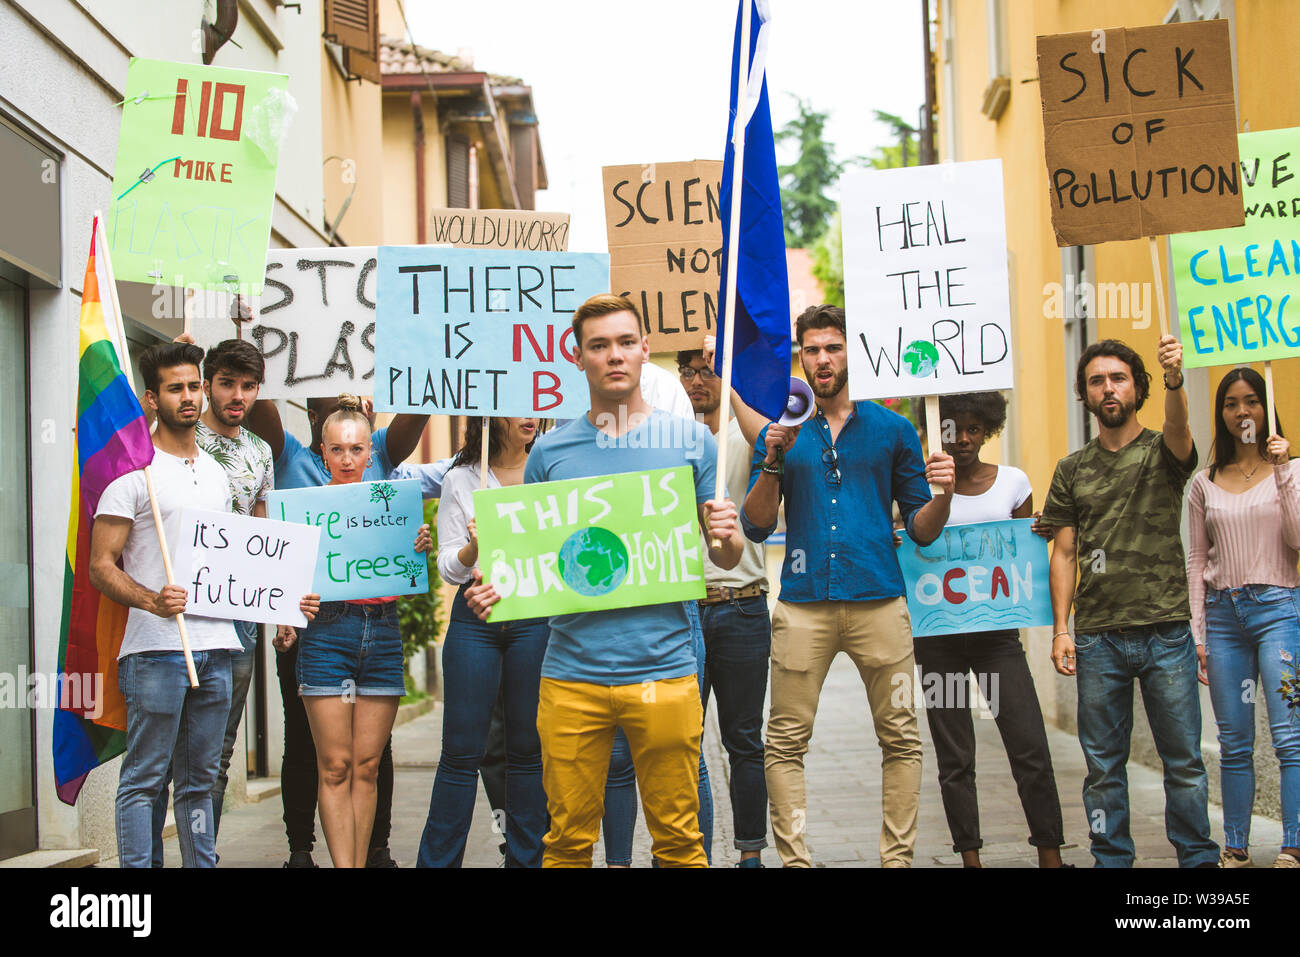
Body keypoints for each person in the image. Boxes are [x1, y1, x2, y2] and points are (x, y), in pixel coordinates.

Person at [465, 294, 745, 867]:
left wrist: (729, 531)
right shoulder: (549, 452)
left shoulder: (692, 441)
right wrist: (494, 586)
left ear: (645, 350)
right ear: (579, 356)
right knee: (566, 842)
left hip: (665, 671)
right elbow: (533, 562)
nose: (613, 355)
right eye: (599, 345)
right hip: (570, 678)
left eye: (624, 342)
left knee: (680, 842)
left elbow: (722, 554)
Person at [741, 303, 955, 868]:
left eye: (832, 347)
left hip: (879, 601)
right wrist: (770, 460)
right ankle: (796, 861)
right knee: (784, 743)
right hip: (804, 605)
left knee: (902, 739)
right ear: (801, 358)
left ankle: (897, 860)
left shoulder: (894, 429)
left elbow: (924, 533)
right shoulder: (781, 430)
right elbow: (756, 525)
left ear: (851, 353)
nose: (822, 359)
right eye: (811, 349)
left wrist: (945, 494)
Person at [89, 342, 318, 867]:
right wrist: (149, 598)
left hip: (218, 647)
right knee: (145, 778)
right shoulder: (132, 473)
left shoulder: (219, 474)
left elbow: (250, 558)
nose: (189, 397)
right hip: (155, 652)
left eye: (193, 385)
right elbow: (102, 564)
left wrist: (283, 604)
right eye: (176, 388)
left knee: (199, 782)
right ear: (153, 398)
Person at [1040, 335, 1219, 868]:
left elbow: (1184, 430)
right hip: (1097, 637)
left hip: (1167, 632)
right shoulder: (1071, 470)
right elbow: (1064, 553)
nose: (1108, 388)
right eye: (1097, 381)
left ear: (1137, 388)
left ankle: (1198, 861)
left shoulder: (1165, 451)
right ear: (1086, 395)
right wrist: (1060, 629)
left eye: (1118, 378)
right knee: (1102, 768)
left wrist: (1174, 378)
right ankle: (1111, 859)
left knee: (1184, 762)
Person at [248, 391, 429, 868]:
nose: (347, 458)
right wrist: (291, 606)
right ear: (322, 451)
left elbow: (402, 570)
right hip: (326, 635)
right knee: (335, 765)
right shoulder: (303, 506)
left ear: (371, 452)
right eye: (337, 449)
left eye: (357, 449)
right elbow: (280, 572)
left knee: (367, 766)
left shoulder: (389, 500)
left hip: (383, 633)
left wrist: (417, 544)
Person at [911, 390, 1067, 868]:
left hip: (999, 638)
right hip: (938, 641)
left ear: (989, 431)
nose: (961, 438)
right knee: (955, 757)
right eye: (950, 427)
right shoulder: (919, 486)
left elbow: (1022, 552)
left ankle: (1050, 854)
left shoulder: (1014, 484)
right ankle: (970, 858)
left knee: (1030, 746)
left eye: (973, 428)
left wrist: (1036, 533)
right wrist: (944, 493)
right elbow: (917, 535)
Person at [152, 337, 276, 866]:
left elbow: (266, 532)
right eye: (226, 383)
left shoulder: (260, 451)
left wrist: (279, 609)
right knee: (161, 753)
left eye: (248, 387)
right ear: (207, 384)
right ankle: (149, 856)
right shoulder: (182, 437)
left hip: (238, 620)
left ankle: (203, 854)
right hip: (176, 611)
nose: (237, 396)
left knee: (216, 752)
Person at [415, 416, 551, 867]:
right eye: (516, 406)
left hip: (534, 619)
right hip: (476, 621)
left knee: (528, 752)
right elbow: (450, 568)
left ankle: (526, 859)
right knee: (460, 751)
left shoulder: (550, 471)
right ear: (492, 416)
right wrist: (474, 547)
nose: (529, 415)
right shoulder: (461, 478)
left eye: (534, 402)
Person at [1186, 367, 1300, 869]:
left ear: (1265, 407)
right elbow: (1194, 559)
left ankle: (1292, 846)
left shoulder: (1292, 470)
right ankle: (1235, 848)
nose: (1242, 412)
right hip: (1223, 616)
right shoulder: (1203, 482)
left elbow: (1297, 541)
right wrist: (1199, 634)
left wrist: (1284, 471)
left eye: (1251, 401)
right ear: (1222, 413)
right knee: (1234, 742)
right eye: (1232, 403)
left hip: (1280, 612)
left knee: (1290, 737)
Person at [674, 344, 772, 866]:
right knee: (680, 740)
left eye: (706, 371)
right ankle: (692, 853)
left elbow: (776, 445)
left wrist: (731, 382)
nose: (696, 380)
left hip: (742, 606)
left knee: (744, 741)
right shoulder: (670, 442)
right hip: (684, 610)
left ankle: (751, 853)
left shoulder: (744, 435)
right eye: (686, 371)